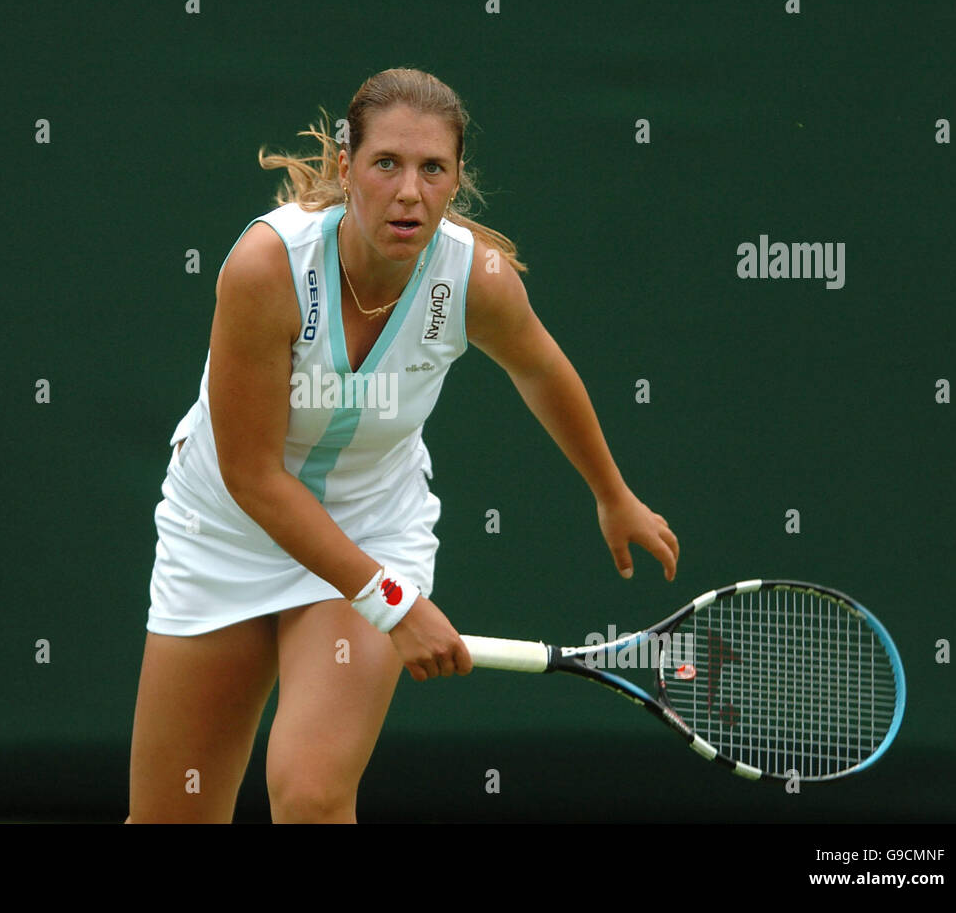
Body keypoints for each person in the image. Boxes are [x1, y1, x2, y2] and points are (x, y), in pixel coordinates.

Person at [127, 67, 679, 823]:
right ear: (348, 165)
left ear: (457, 181)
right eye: (387, 163)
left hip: (372, 526)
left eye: (433, 169)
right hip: (223, 529)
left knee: (313, 794)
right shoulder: (266, 268)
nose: (410, 192)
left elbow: (541, 366)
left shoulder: (473, 276)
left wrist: (612, 493)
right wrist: (394, 603)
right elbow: (254, 477)